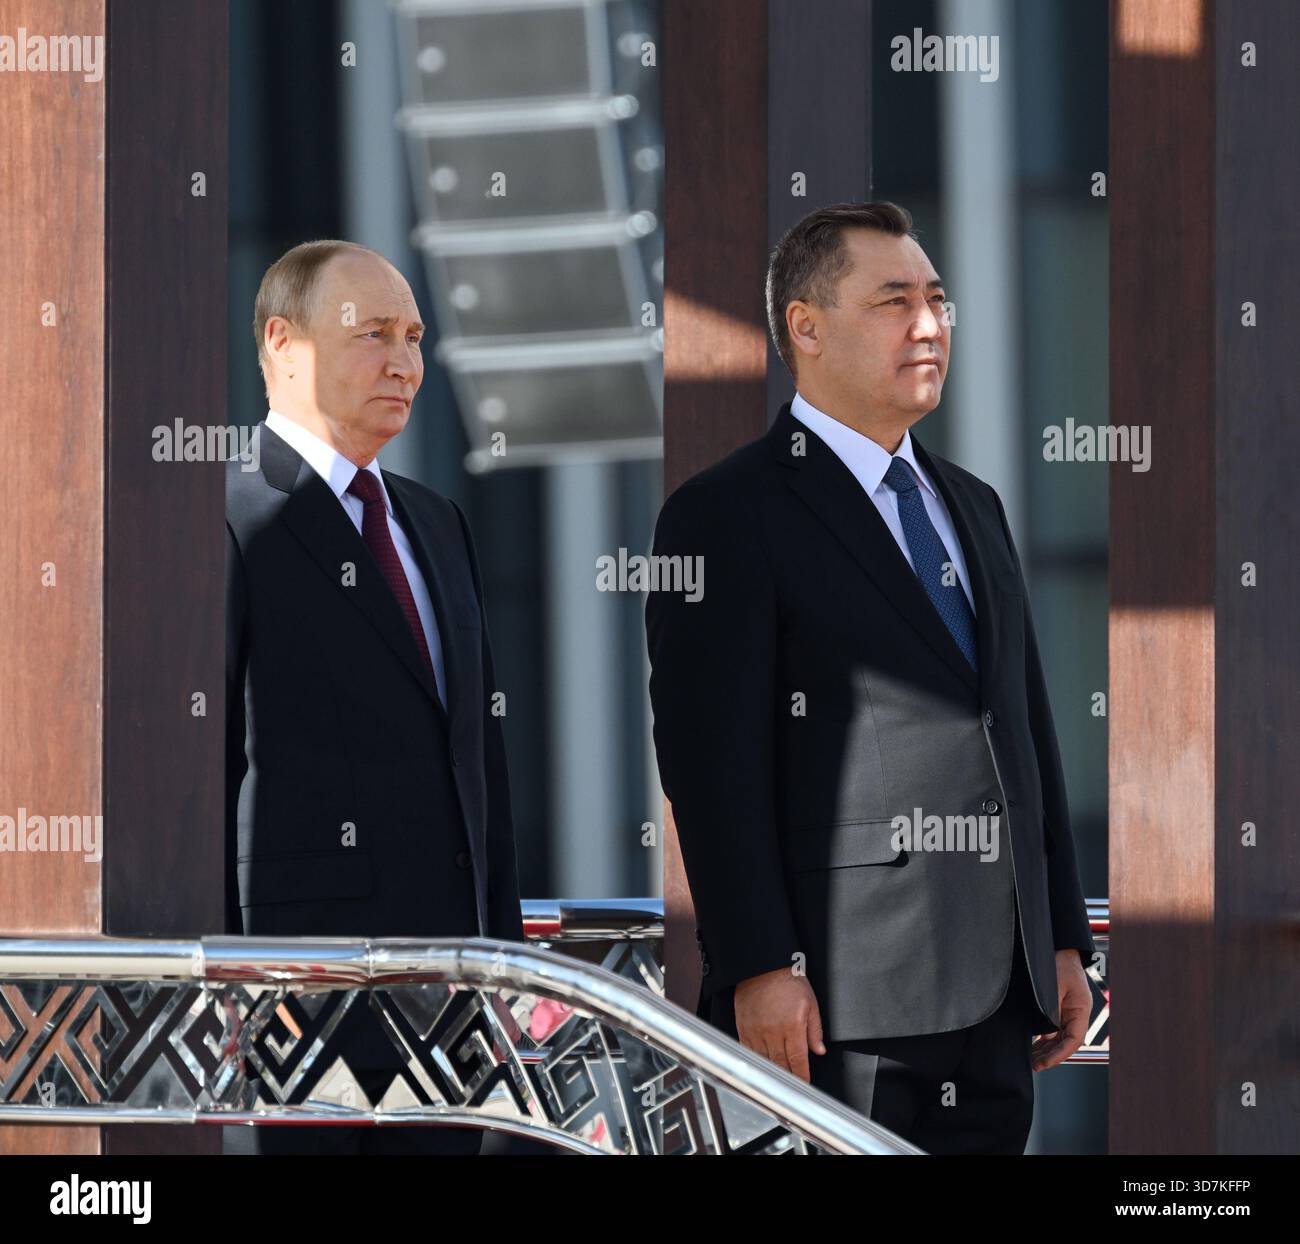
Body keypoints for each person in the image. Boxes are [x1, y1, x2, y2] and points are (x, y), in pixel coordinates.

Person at [644, 202, 1095, 1155]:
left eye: (937, 300)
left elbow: (1020, 727)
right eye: (895, 302)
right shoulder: (725, 514)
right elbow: (709, 765)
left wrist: (1059, 934)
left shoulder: (973, 505)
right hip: (842, 1000)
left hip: (1001, 997)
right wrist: (761, 963)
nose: (930, 325)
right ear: (804, 328)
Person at [223, 240, 524, 1156]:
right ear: (282, 343)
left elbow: (477, 761)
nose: (405, 362)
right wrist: (227, 982)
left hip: (449, 994)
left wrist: (503, 963)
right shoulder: (224, 514)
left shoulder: (436, 520)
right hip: (299, 994)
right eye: (373, 336)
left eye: (416, 337)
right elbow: (201, 769)